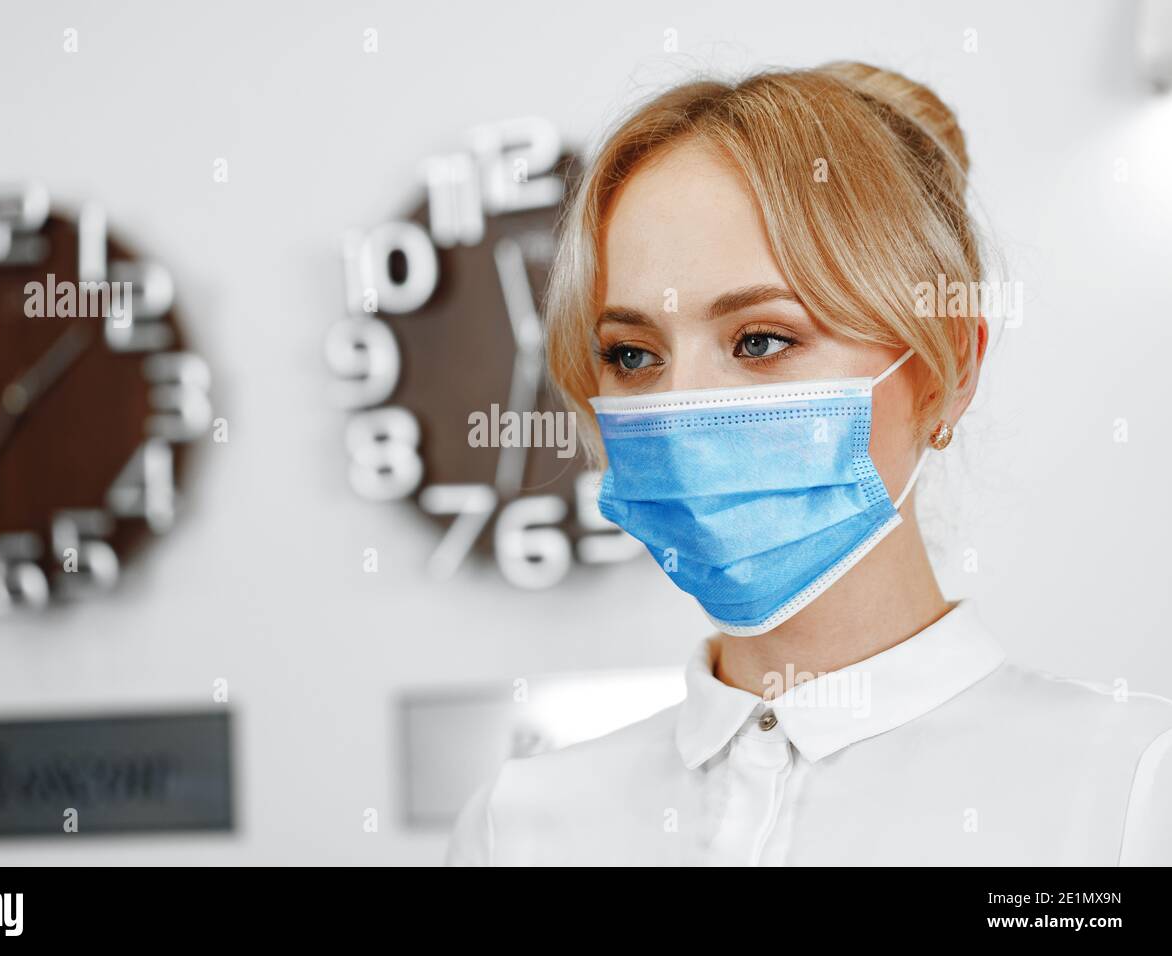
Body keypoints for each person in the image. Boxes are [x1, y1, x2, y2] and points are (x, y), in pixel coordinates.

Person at [446, 62, 1172, 866]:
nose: (679, 411)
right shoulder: (516, 827)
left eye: (761, 340)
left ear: (948, 371)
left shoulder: (1129, 790)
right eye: (632, 353)